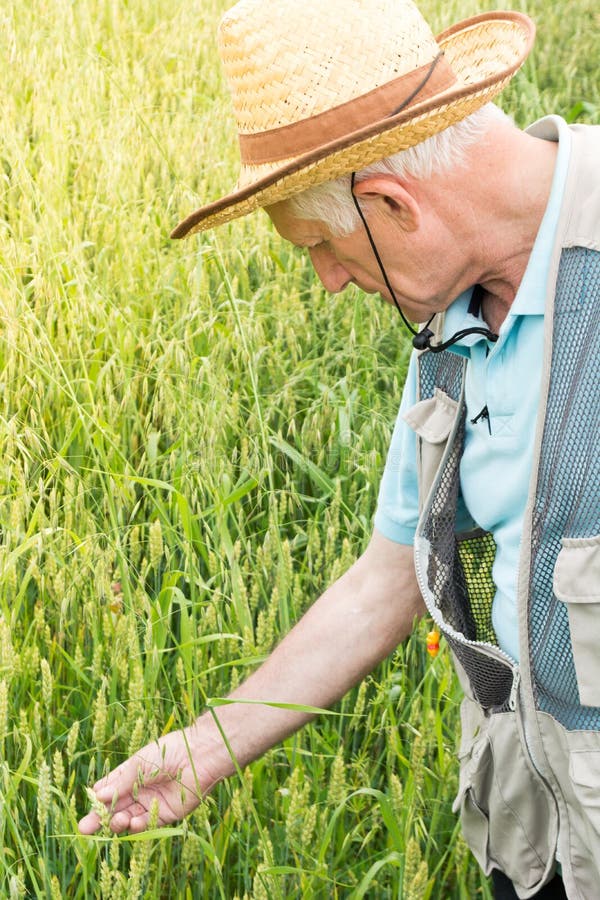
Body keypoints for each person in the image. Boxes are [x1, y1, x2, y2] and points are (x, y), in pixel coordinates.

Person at [78, 1, 599, 897]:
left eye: (321, 243)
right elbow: (385, 579)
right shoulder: (451, 327)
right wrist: (205, 750)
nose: (327, 279)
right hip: (544, 833)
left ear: (395, 202)